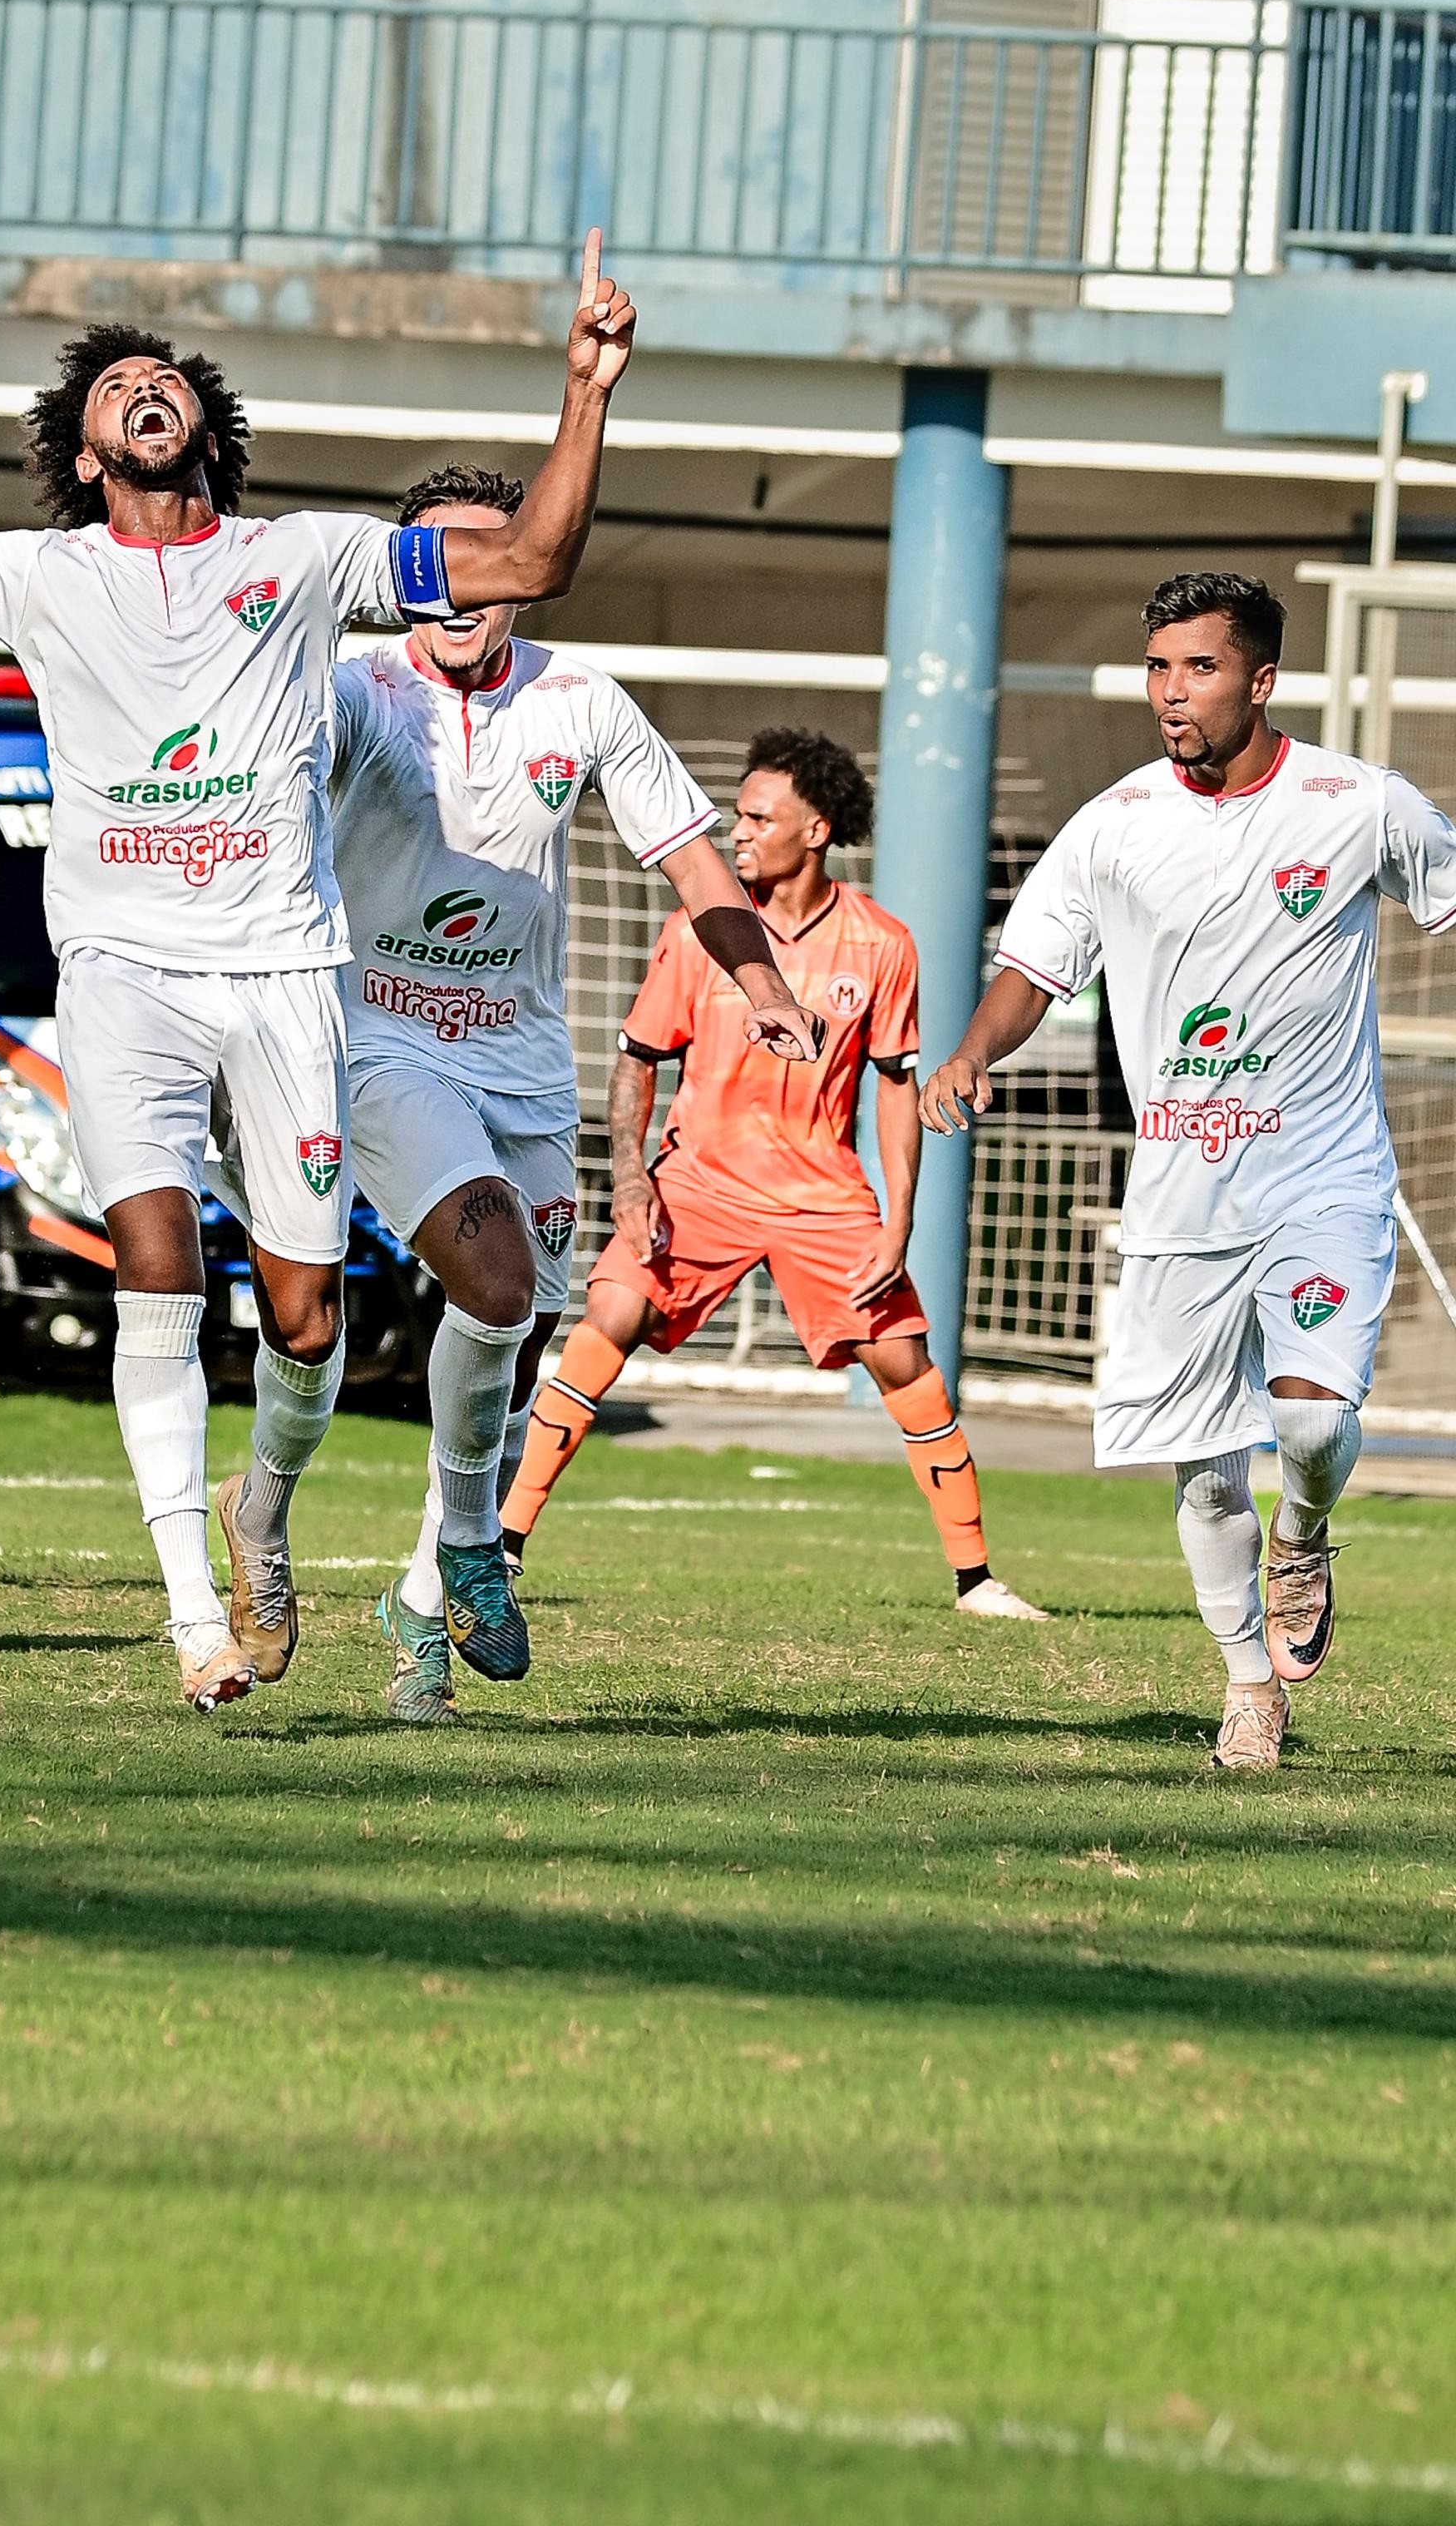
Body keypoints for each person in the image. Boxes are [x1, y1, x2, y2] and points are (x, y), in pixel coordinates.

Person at [0, 225, 636, 1713]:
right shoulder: (32, 575)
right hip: (125, 967)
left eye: (165, 375)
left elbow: (530, 557)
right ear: (83, 454)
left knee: (306, 1317)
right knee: (155, 1265)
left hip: (284, 975)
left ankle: (258, 1507)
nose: (144, 384)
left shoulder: (306, 559)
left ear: (205, 426)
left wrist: (585, 388)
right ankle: (193, 1620)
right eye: (114, 383)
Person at [925, 571, 1456, 1768]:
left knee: (1311, 1425)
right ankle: (1248, 1686)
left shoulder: (1359, 805)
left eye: (1200, 669)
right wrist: (968, 1050)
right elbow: (1036, 971)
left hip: (1325, 1179)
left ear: (1262, 680)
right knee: (1207, 1471)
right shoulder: (1112, 824)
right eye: (1159, 669)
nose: (1173, 694)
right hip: (1180, 1196)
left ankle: (1306, 1535)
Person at [325, 472, 821, 1723]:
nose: (452, 590)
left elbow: (691, 857)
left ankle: (423, 1606)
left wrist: (759, 980)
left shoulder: (581, 698)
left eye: (480, 562)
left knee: (526, 1329)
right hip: (383, 1037)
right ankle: (474, 1546)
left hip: (524, 1059)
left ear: (518, 573)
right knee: (489, 1285)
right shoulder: (352, 685)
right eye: (427, 564)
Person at [506, 728, 1046, 1623]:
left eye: (759, 815)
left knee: (903, 1360)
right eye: (738, 813)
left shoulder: (881, 943)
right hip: (699, 1182)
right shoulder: (698, 929)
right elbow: (637, 1058)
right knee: (610, 1312)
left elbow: (894, 1086)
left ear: (817, 828)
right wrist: (631, 1180)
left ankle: (975, 1578)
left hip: (819, 1194)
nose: (738, 829)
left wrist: (897, 1220)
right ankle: (507, 1543)